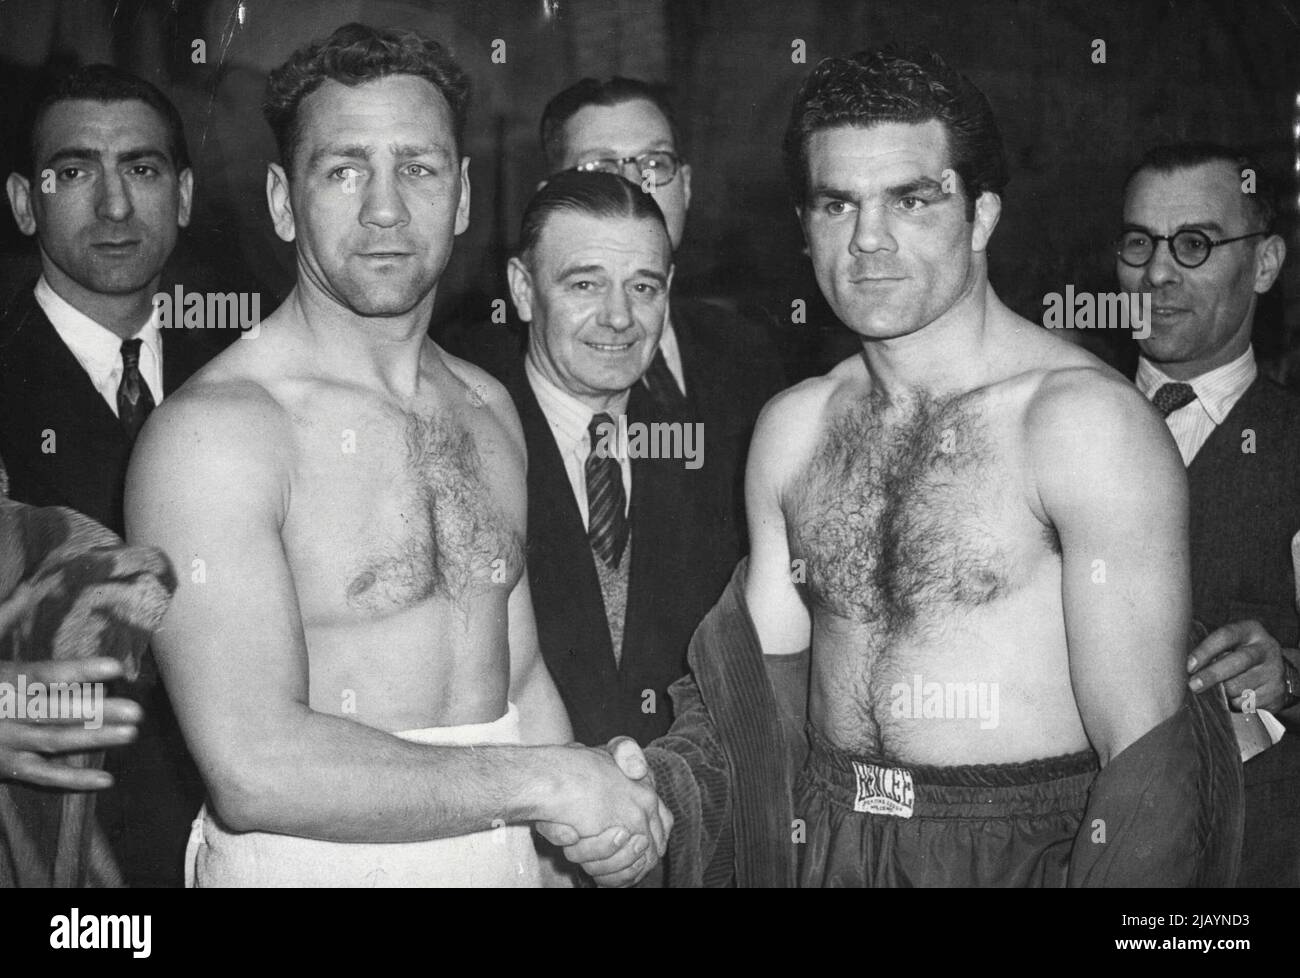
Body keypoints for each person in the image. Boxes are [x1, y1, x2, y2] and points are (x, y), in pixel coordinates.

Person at [556, 46, 1242, 888]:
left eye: (911, 200)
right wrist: (650, 798)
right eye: (837, 204)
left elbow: (1147, 775)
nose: (868, 240)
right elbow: (755, 714)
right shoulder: (794, 429)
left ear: (982, 215)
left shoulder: (1082, 425)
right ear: (805, 226)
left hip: (1018, 853)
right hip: (831, 842)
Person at [126, 23, 667, 888]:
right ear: (280, 200)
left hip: (501, 853)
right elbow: (253, 767)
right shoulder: (216, 435)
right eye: (344, 170)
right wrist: (548, 783)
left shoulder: (487, 406)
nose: (385, 208)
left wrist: (587, 836)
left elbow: (519, 683)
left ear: (458, 198)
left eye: (417, 168)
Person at [0, 64, 219, 886]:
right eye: (75, 171)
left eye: (142, 168)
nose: (116, 204)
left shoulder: (254, 370)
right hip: (62, 854)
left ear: (185, 194)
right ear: (25, 202)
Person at [1116, 142, 1300, 886]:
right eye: (1139, 243)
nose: (1157, 273)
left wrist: (1288, 670)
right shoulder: (1050, 419)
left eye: (1193, 244)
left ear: (1263, 264)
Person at [501, 169, 731, 747]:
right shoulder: (474, 441)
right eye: (585, 285)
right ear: (523, 290)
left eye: (644, 287)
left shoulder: (708, 455)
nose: (619, 317)